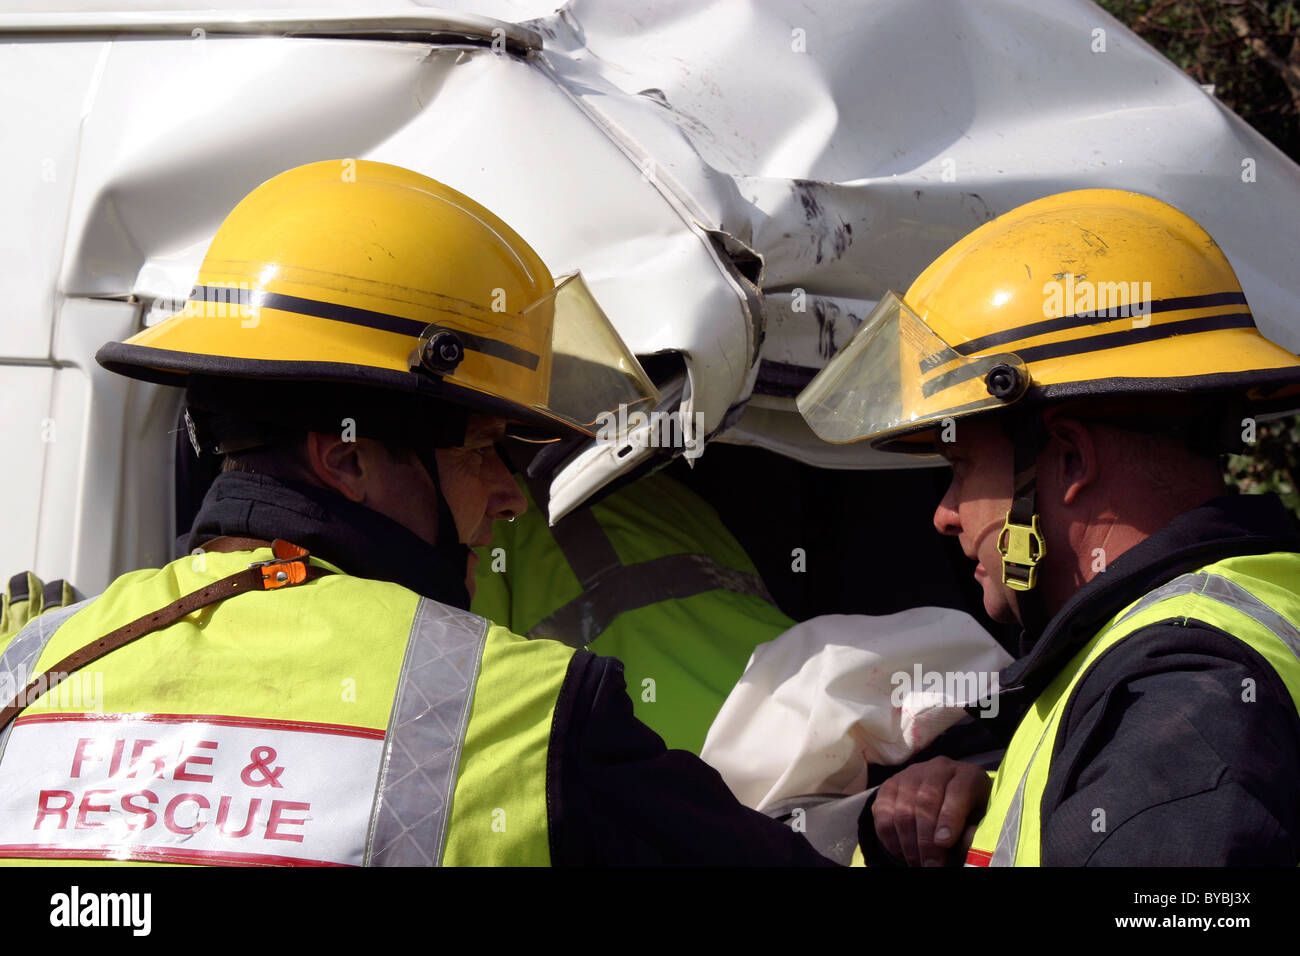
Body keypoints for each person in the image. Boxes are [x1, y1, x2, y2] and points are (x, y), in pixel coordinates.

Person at [0, 159, 832, 866]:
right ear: (349, 456)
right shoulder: (524, 712)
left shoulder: (33, 671)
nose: (513, 497)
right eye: (482, 451)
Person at [797, 188, 1300, 866]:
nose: (944, 515)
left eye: (961, 468)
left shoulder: (1183, 700)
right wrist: (978, 806)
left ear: (1069, 460)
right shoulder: (1171, 656)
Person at [472, 466, 795, 755]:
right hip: (800, 708)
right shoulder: (667, 484)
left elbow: (476, 685)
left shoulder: (492, 520)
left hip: (692, 769)